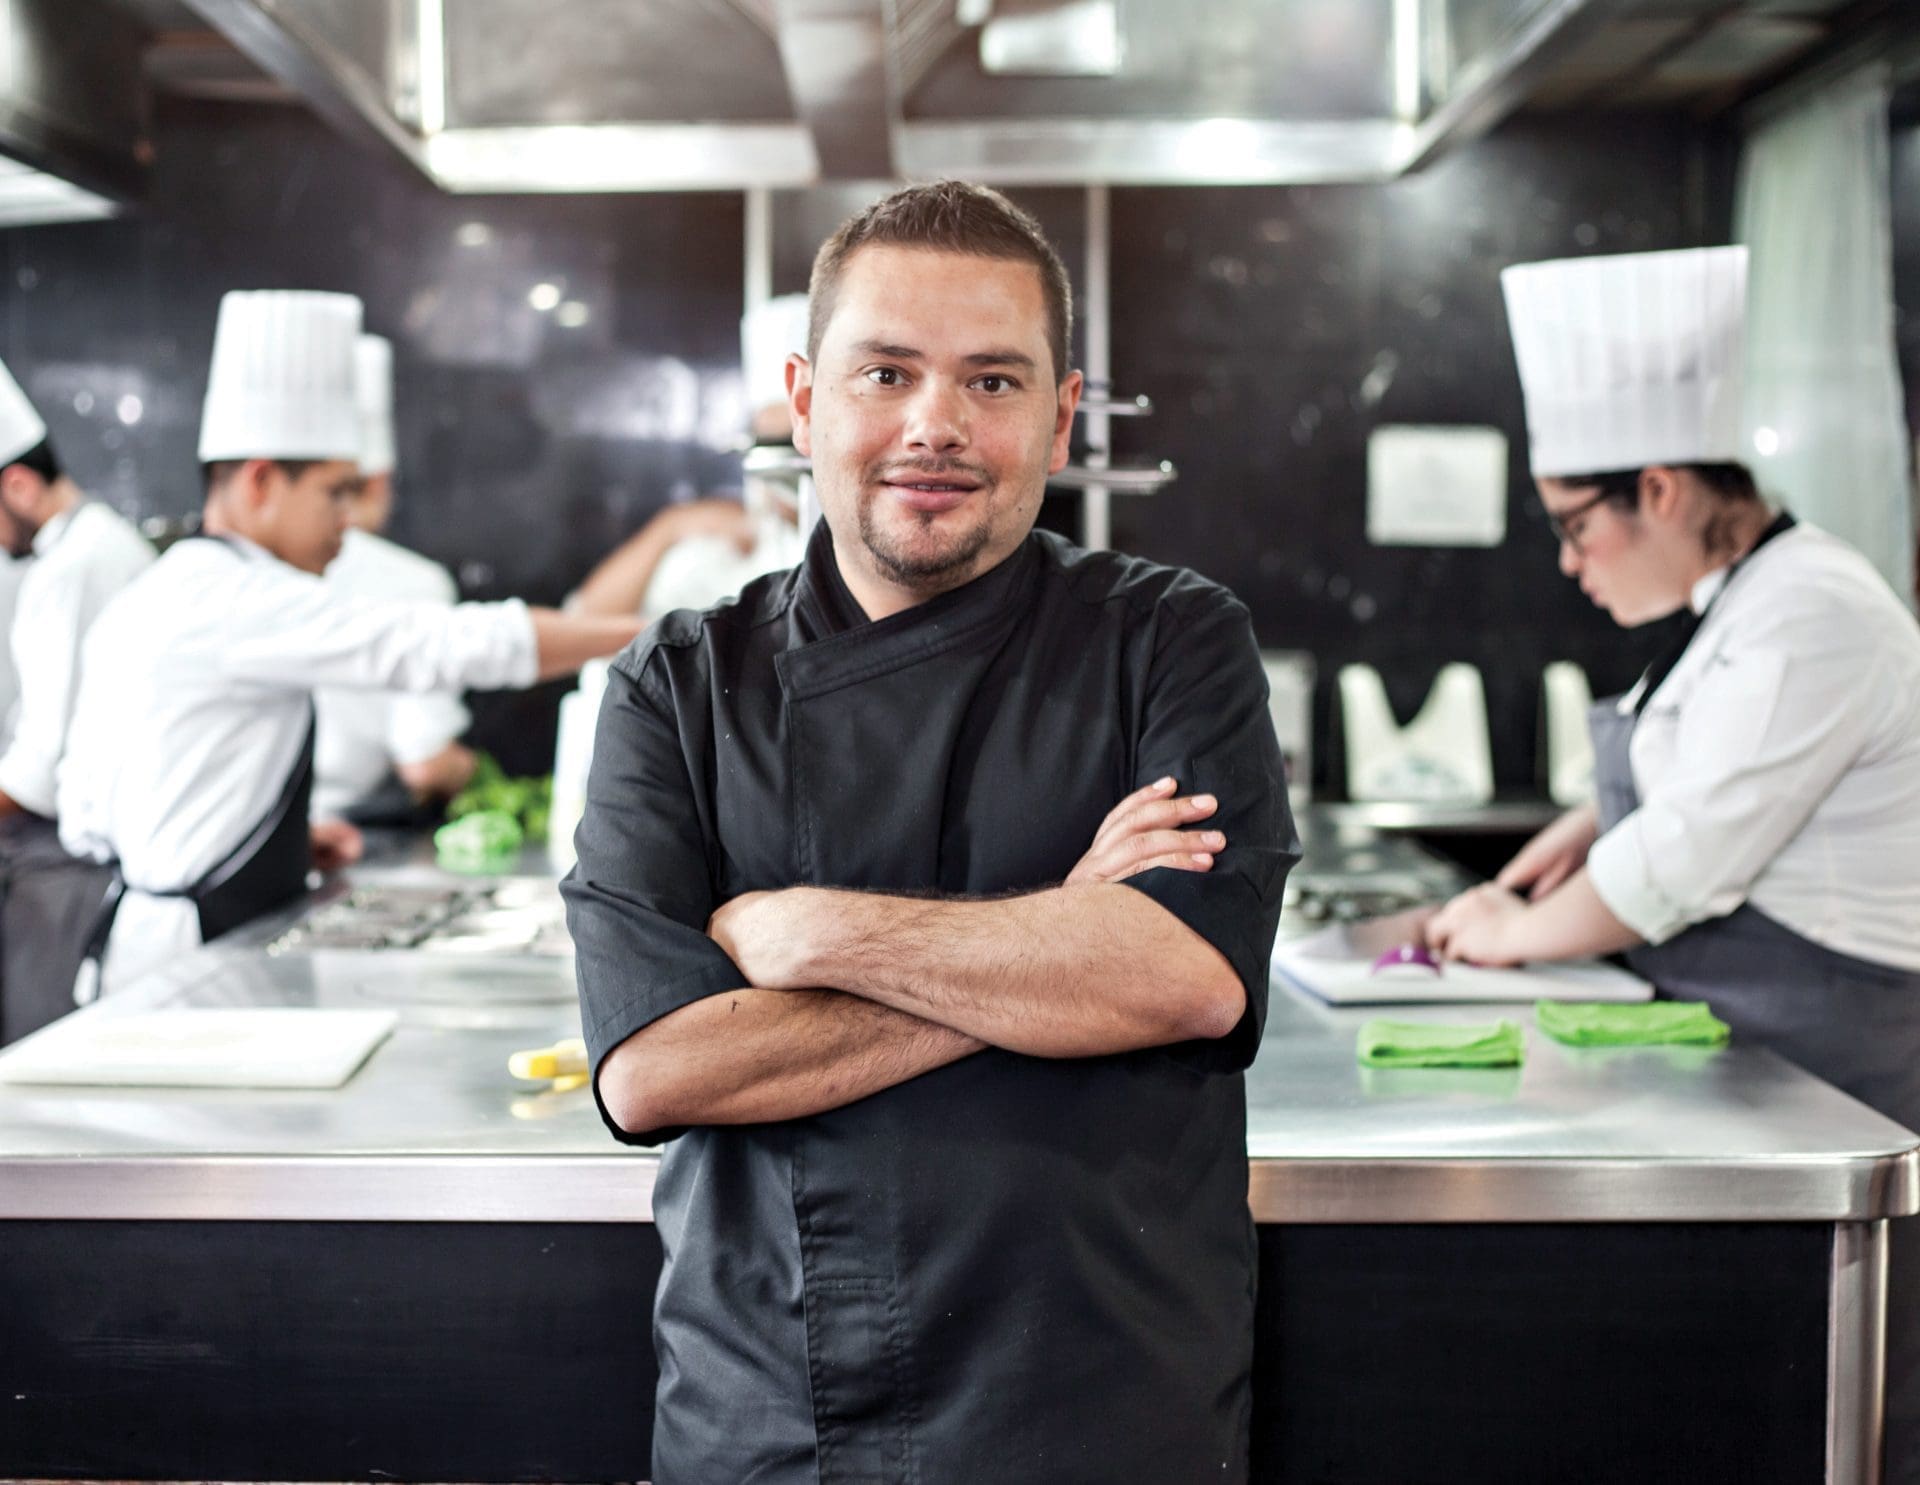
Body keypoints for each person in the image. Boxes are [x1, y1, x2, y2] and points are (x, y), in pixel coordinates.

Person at [563, 182, 1298, 1484]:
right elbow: (656, 1069)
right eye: (886, 373)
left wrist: (813, 935)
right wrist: (1063, 938)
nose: (935, 425)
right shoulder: (677, 686)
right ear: (805, 403)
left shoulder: (1173, 639)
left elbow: (1184, 978)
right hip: (775, 1411)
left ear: (1062, 418)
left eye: (994, 381)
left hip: (1105, 1400)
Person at [1425, 244, 1920, 1479]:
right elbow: (1690, 786)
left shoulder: (1814, 609)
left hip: (1839, 1063)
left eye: (1575, 525)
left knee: (1834, 1404)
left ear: (1659, 487)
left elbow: (1686, 858)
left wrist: (1504, 933)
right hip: (1762, 1051)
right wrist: (1572, 836)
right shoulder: (1742, 599)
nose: (1569, 560)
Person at [57, 289, 642, 995]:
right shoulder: (238, 597)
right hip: (187, 963)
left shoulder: (169, 587)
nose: (347, 520)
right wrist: (647, 633)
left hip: (157, 938)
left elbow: (84, 815)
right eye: (334, 493)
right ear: (261, 481)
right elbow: (440, 644)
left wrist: (260, 846)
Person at [312, 334, 477, 822]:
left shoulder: (229, 572)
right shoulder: (412, 582)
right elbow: (426, 764)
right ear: (381, 482)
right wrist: (470, 769)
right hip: (345, 828)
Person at [567, 294, 811, 623]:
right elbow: (581, 621)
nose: (782, 464)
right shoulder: (730, 547)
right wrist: (672, 526)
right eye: (768, 443)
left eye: (793, 443)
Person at [0, 357, 154, 819]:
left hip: (74, 839)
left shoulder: (76, 566)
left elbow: (46, 767)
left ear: (19, 487)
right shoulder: (93, 541)